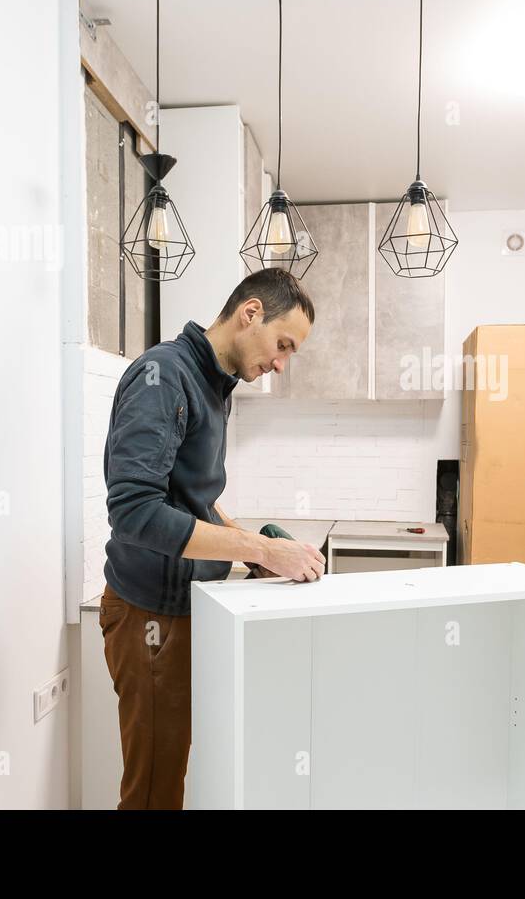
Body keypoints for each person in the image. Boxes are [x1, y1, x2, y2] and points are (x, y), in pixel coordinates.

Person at [98, 267, 325, 809]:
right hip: (150, 618)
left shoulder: (213, 385)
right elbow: (134, 510)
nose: (279, 364)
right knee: (153, 788)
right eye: (282, 344)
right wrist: (265, 549)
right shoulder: (163, 375)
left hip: (185, 611)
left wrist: (245, 546)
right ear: (251, 313)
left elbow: (189, 498)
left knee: (170, 777)